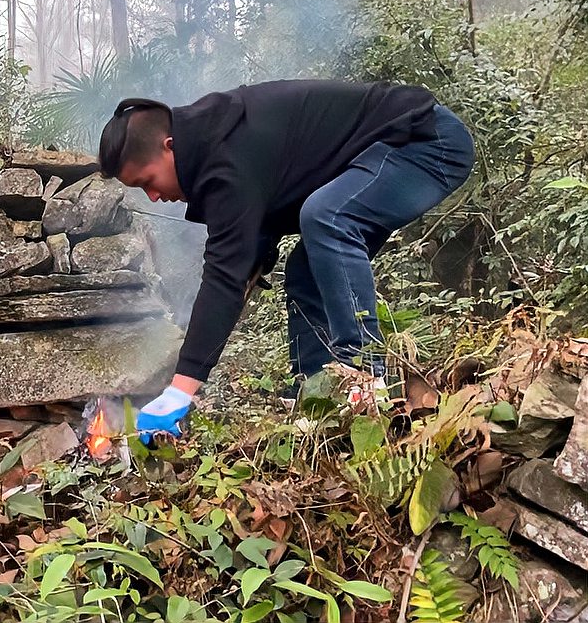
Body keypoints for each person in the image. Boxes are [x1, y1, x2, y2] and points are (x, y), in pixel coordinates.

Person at [97, 80, 475, 440]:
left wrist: (180, 390)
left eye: (148, 181)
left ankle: (363, 376)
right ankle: (316, 399)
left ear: (169, 147)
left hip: (426, 143)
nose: (152, 196)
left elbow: (224, 280)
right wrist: (189, 364)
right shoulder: (215, 149)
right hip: (384, 157)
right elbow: (239, 269)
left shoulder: (227, 156)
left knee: (327, 218)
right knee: (305, 271)